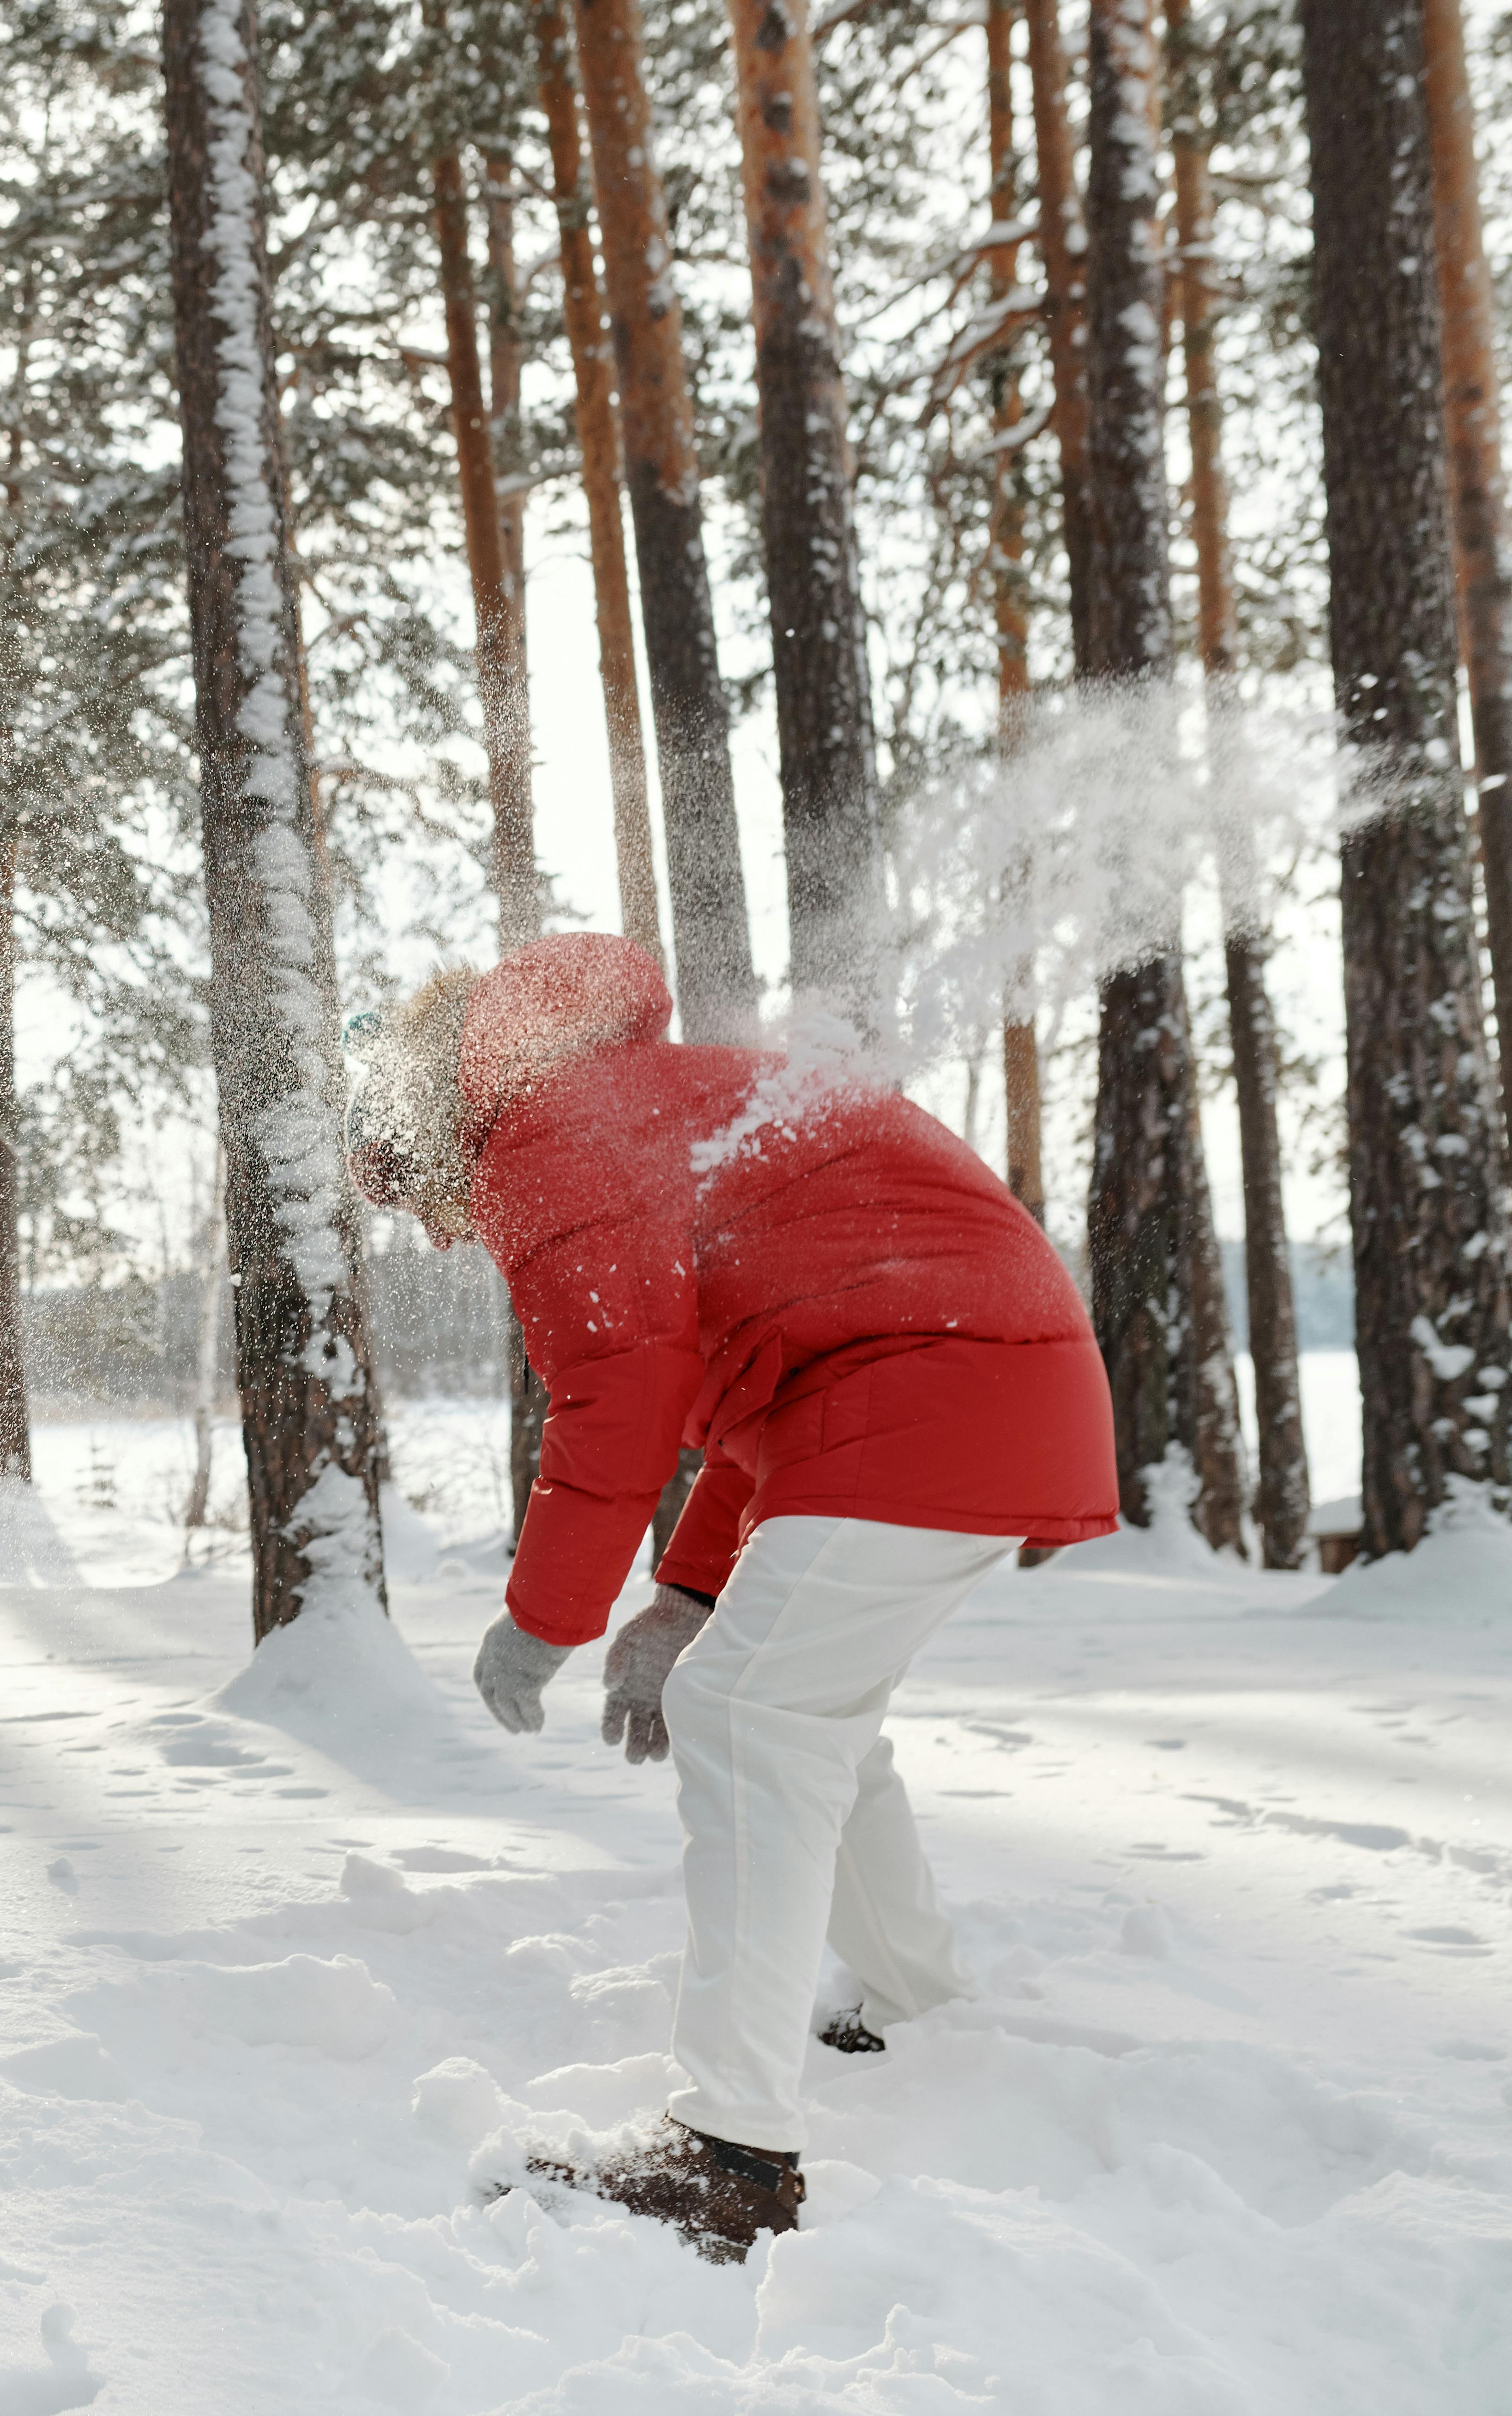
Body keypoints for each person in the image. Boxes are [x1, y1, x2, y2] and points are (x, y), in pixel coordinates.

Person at [351, 932, 1116, 2264]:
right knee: (803, 1709)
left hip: (940, 1384)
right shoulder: (626, 1102)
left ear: (435, 1129)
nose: (438, 1230)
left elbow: (619, 1396)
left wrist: (547, 1619)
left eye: (421, 1200)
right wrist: (687, 1594)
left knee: (753, 1713)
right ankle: (916, 2010)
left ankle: (732, 2157)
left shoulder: (538, 1136)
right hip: (949, 1379)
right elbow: (770, 1380)